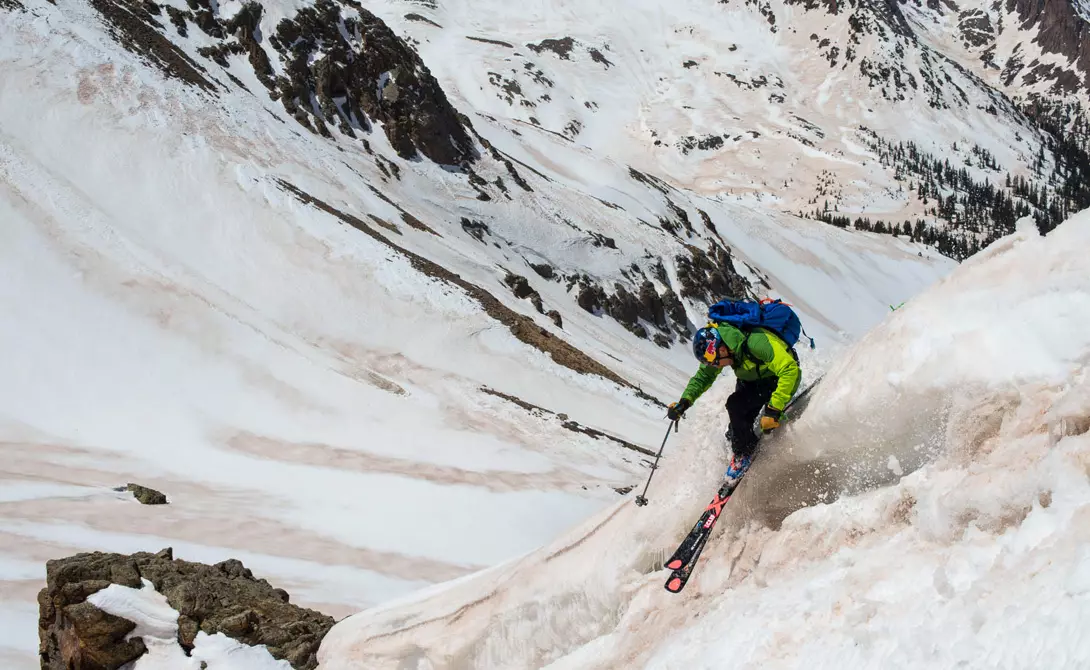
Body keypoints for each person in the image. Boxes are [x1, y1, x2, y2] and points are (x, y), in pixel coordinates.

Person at [666, 320, 801, 483]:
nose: (715, 366)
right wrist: (684, 403)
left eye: (715, 362)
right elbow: (703, 377)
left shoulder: (756, 342)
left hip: (779, 379)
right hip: (751, 381)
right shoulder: (718, 351)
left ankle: (747, 454)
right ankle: (744, 452)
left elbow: (790, 369)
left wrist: (774, 408)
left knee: (747, 411)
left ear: (722, 349)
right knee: (735, 430)